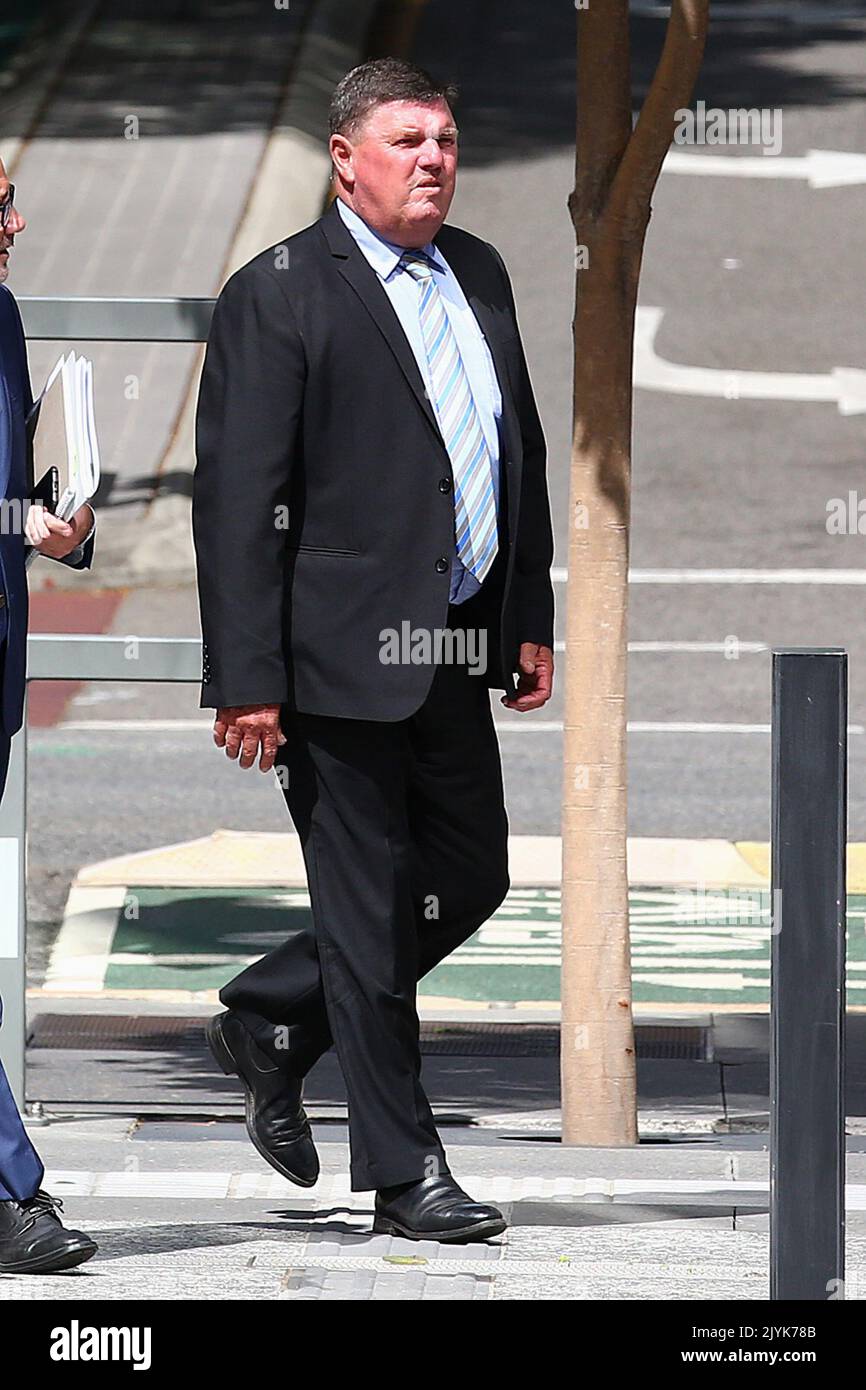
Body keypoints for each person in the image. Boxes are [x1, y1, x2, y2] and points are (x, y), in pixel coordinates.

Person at [193, 58, 555, 1244]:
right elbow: (239, 503)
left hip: (448, 643)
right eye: (408, 140)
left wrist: (522, 616)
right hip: (330, 662)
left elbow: (517, 452)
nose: (434, 159)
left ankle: (274, 1018)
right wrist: (247, 678)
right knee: (363, 913)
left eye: (445, 139)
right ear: (345, 158)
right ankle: (405, 1174)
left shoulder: (481, 271)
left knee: (474, 872)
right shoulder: (282, 291)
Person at [0, 163, 98, 1273]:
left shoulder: (5, 314)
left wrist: (56, 518)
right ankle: (12, 1189)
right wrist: (19, 521)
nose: (18, 222)